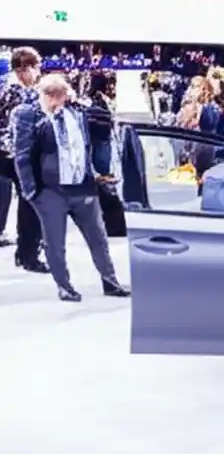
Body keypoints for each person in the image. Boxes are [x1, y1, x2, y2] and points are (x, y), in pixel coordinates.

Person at [11, 74, 130, 302]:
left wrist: (99, 174)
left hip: (82, 188)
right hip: (50, 192)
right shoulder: (29, 116)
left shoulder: (79, 112)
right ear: (43, 95)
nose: (56, 101)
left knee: (98, 238)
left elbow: (96, 139)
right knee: (55, 243)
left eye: (60, 95)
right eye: (51, 96)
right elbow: (23, 155)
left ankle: (111, 282)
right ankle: (64, 286)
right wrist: (31, 192)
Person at [0, 46, 48, 272]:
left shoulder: (8, 89)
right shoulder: (20, 93)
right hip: (15, 154)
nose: (28, 73)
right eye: (24, 69)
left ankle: (26, 253)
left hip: (12, 152)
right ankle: (28, 255)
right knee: (33, 201)